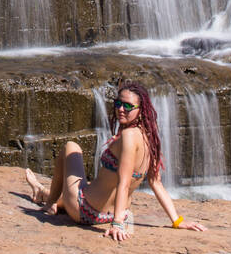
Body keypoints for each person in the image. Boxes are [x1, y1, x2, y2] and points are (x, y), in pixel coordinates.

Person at [24, 79, 207, 241]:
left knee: (71, 147)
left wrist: (118, 224)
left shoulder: (128, 136)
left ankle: (49, 205)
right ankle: (44, 193)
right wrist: (177, 220)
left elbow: (124, 183)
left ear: (141, 110)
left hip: (86, 210)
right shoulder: (150, 137)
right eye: (118, 103)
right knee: (81, 187)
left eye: (127, 106)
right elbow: (155, 183)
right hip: (115, 213)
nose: (120, 109)